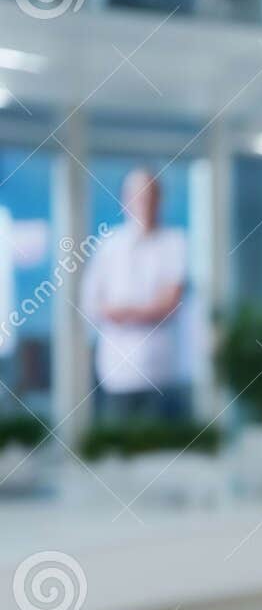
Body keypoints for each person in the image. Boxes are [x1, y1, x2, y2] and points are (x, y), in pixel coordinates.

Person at [81, 167, 191, 421]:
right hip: (116, 374)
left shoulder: (174, 243)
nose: (142, 202)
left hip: (161, 374)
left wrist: (123, 311)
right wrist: (146, 310)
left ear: (159, 200)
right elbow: (92, 305)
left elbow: (169, 305)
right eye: (136, 195)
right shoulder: (108, 246)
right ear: (124, 199)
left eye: (149, 195)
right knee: (118, 453)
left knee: (163, 454)